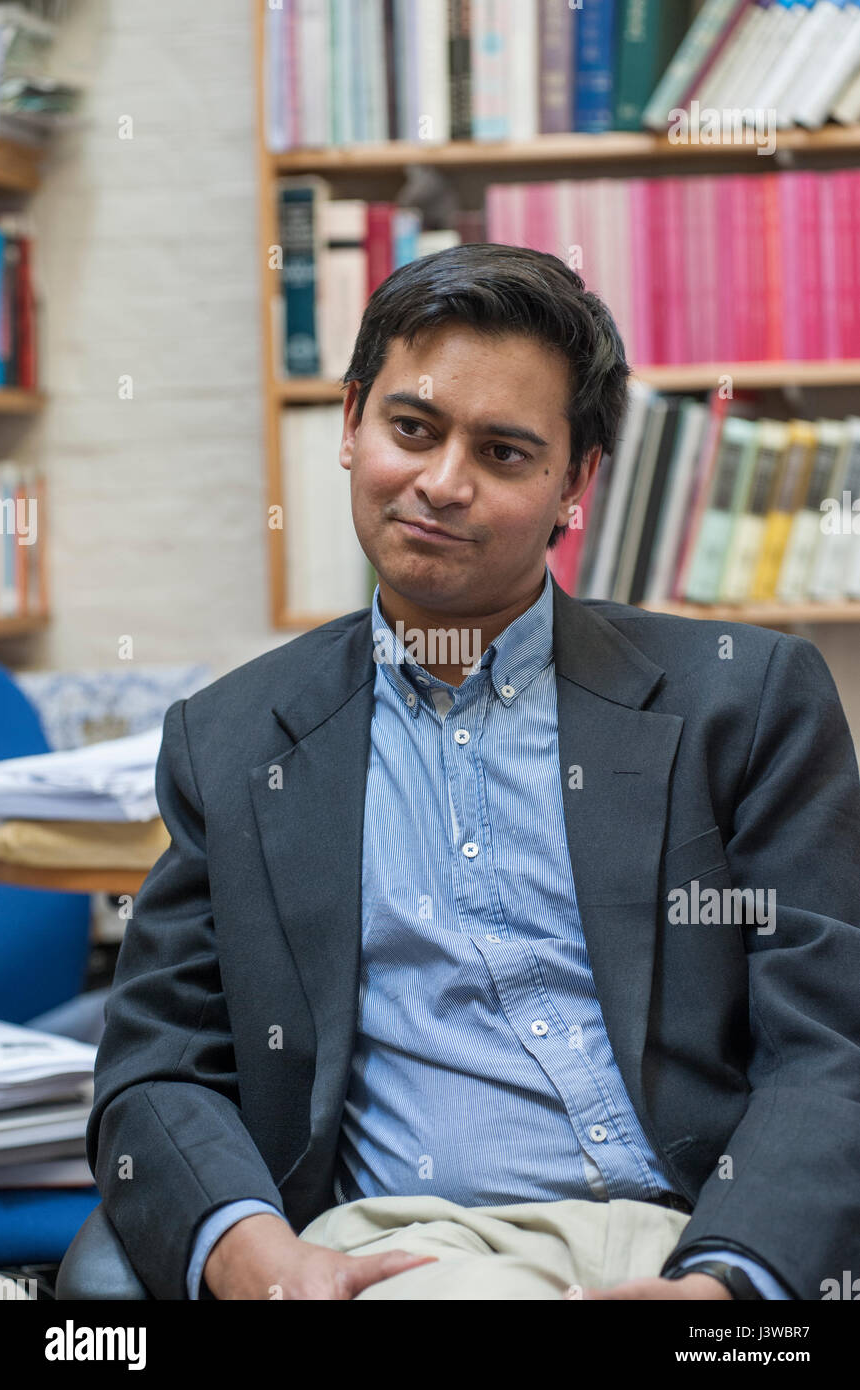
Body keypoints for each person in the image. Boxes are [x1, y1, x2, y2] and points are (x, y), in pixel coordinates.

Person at [87, 243, 860, 1301]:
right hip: (423, 1248)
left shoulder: (745, 700)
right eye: (412, 428)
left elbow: (832, 1042)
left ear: (573, 484)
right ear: (353, 421)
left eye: (502, 453)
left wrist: (725, 1286)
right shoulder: (232, 744)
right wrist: (254, 1252)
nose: (440, 485)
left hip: (706, 1233)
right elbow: (159, 1064)